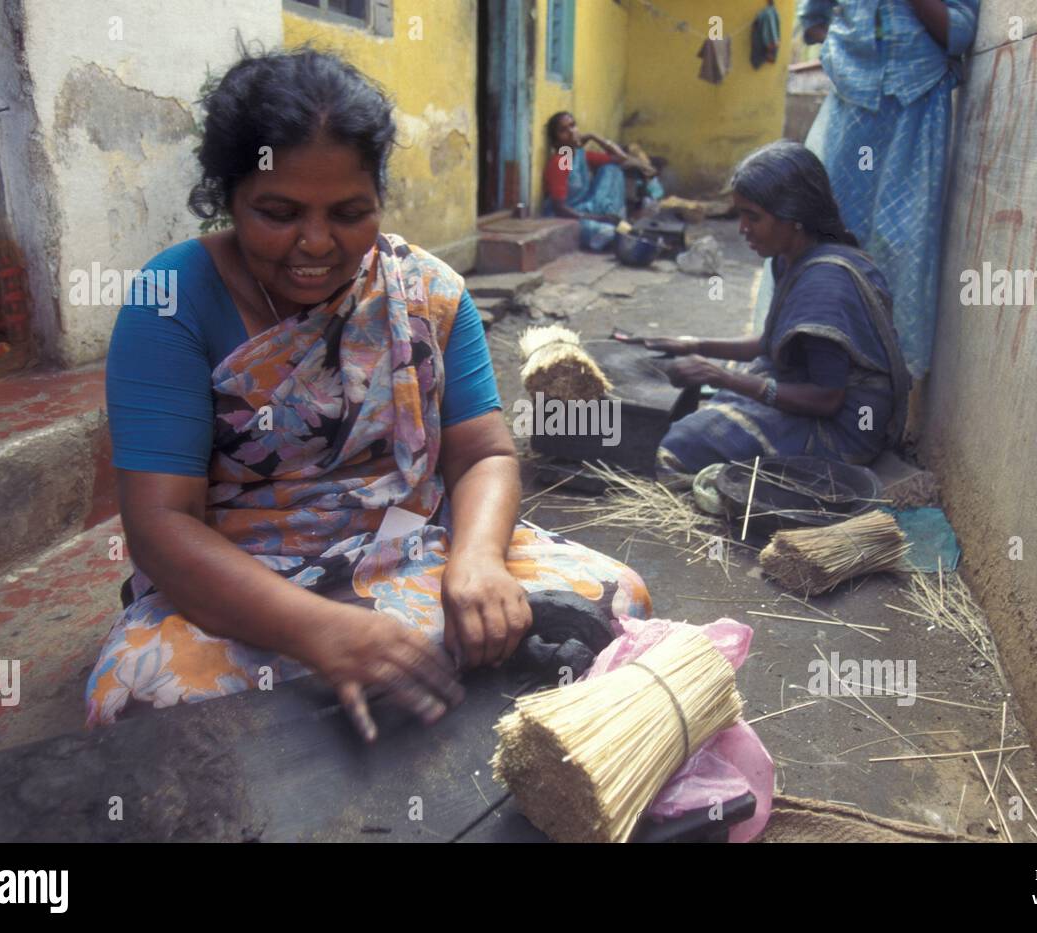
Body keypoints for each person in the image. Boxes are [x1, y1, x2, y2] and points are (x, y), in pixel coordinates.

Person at [91, 49, 651, 736]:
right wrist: (319, 629)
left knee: (613, 599)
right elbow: (161, 523)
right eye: (279, 211)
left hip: (415, 546)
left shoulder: (428, 292)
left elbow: (481, 454)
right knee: (146, 700)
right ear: (227, 194)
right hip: (244, 579)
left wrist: (476, 561)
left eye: (350, 211)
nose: (317, 243)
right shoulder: (171, 298)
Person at [646, 141, 910, 482]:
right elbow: (770, 343)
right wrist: (694, 344)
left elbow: (828, 398)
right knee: (723, 378)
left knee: (678, 446)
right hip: (807, 387)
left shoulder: (826, 283)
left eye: (752, 216)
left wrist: (722, 377)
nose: (742, 229)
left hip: (843, 429)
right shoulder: (789, 258)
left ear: (794, 218)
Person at [799, 0, 980, 381]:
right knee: (834, 230)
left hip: (917, 101)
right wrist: (842, 49)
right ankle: (816, 358)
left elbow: (960, 33)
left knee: (899, 241)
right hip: (852, 101)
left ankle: (881, 377)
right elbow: (811, 21)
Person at [541, 111, 631, 251]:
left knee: (612, 169)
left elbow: (621, 159)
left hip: (586, 207)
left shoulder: (580, 155)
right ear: (556, 141)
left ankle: (614, 219)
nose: (571, 132)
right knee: (606, 232)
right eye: (563, 130)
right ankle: (610, 227)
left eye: (573, 126)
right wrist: (598, 218)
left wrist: (594, 137)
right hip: (568, 215)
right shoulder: (561, 161)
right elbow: (559, 209)